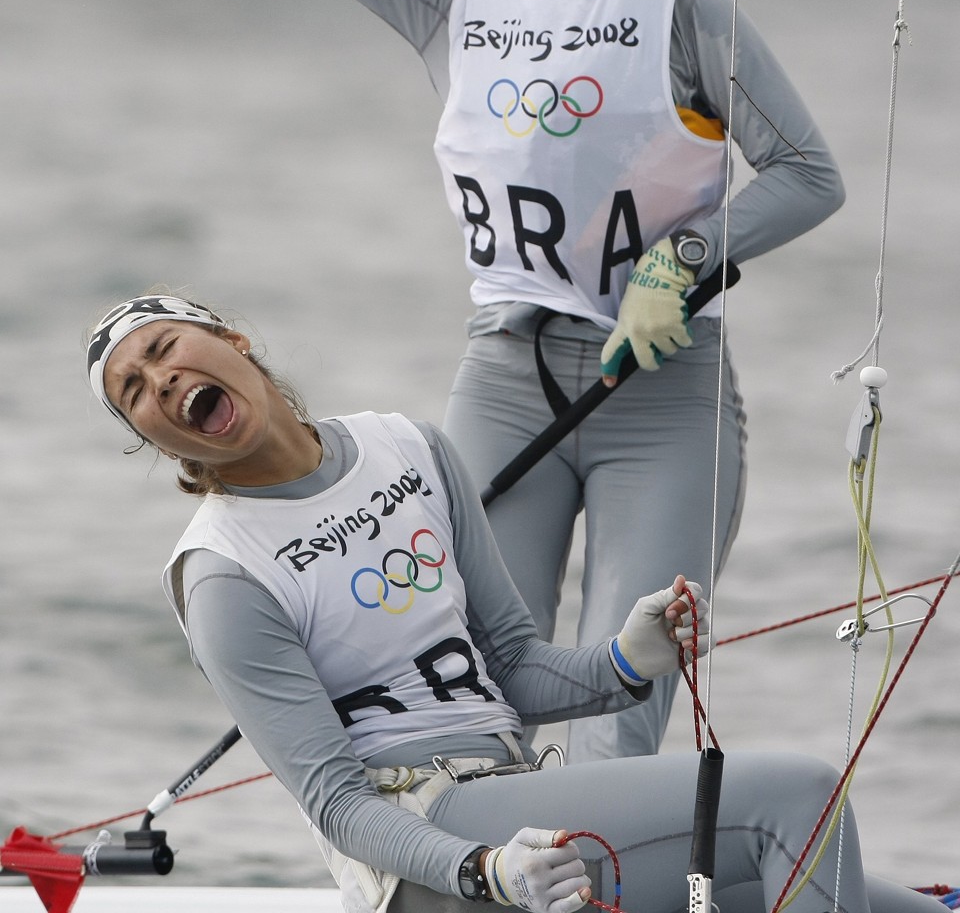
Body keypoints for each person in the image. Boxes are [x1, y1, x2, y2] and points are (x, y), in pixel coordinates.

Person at [183, 0, 846, 760]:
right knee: (472, 686)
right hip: (504, 377)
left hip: (663, 394)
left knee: (624, 708)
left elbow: (808, 171)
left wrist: (684, 261)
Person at [86, 293, 935, 913]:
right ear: (151, 438)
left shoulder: (406, 445)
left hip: (521, 801)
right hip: (434, 857)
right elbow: (339, 806)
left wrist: (624, 663)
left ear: (231, 339)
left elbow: (517, 670)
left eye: (164, 350)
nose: (160, 382)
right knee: (800, 798)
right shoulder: (223, 575)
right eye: (134, 392)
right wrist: (483, 869)